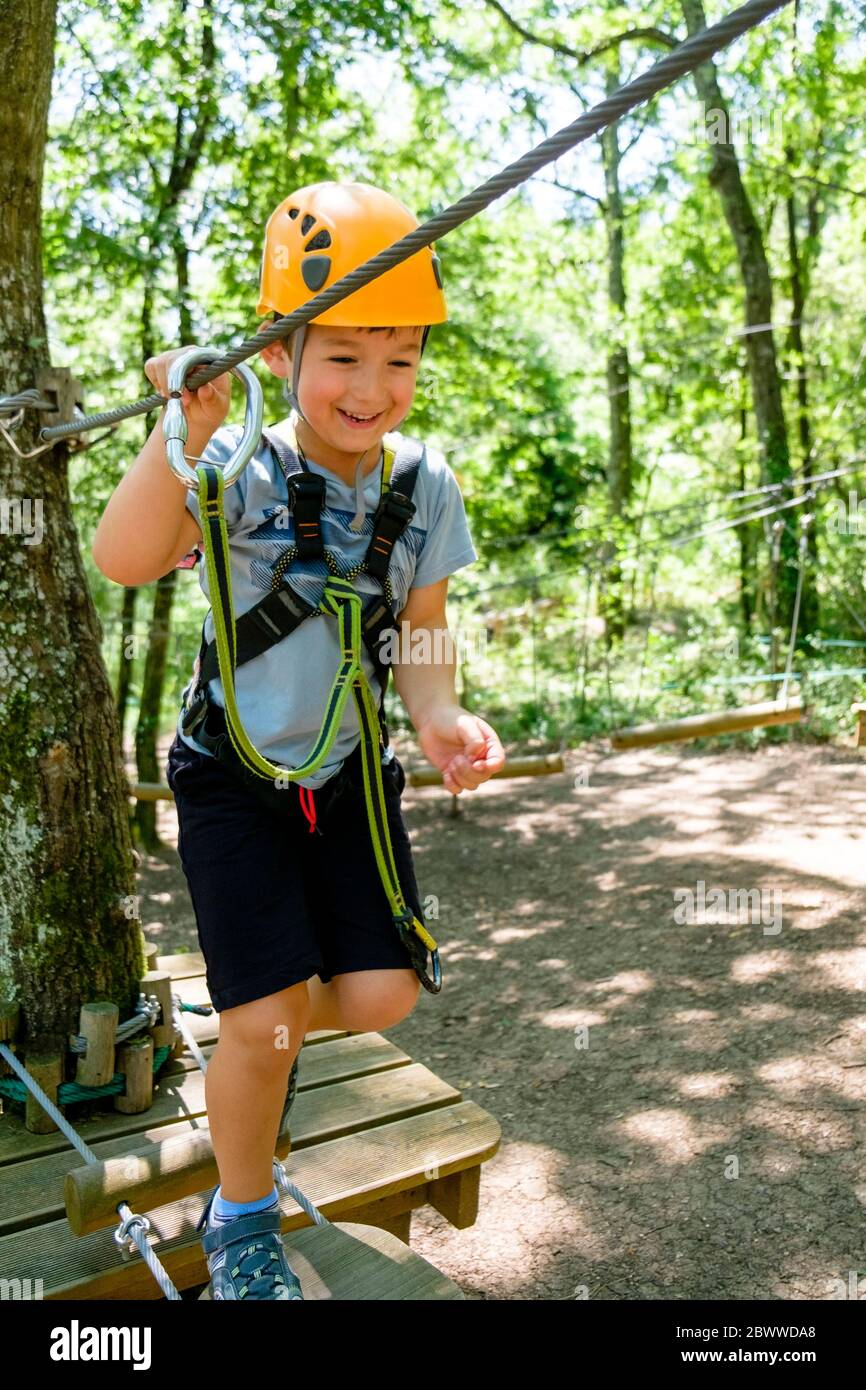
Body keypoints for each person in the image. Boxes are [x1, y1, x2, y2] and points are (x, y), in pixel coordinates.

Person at [92, 180, 505, 1300]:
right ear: (283, 355)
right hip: (234, 773)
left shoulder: (423, 486)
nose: (372, 390)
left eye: (399, 360)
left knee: (380, 995)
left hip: (350, 777)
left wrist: (440, 718)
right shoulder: (236, 472)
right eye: (343, 358)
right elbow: (124, 558)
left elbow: (421, 629)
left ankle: (240, 1005)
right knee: (271, 1030)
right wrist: (182, 430)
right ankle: (241, 1216)